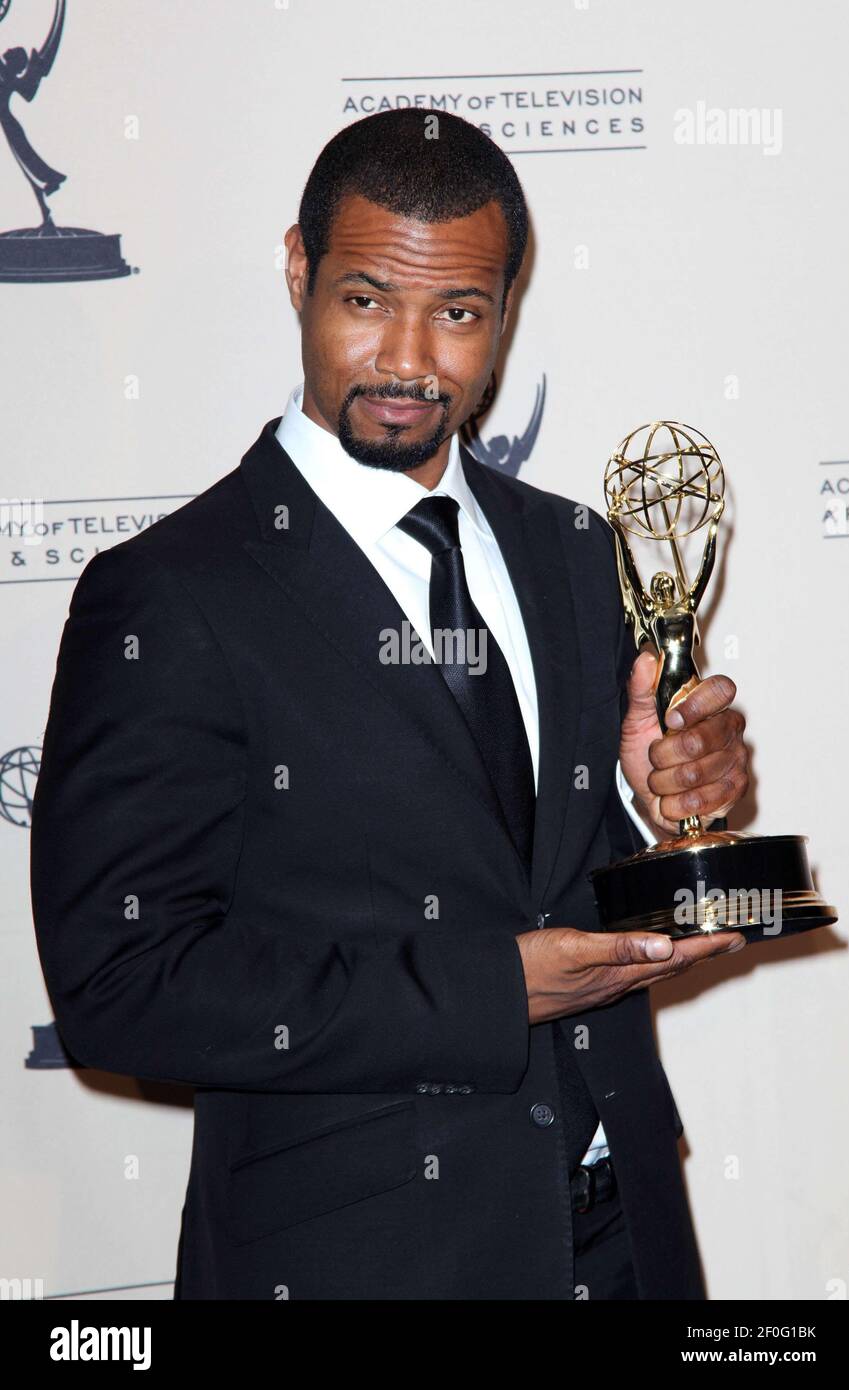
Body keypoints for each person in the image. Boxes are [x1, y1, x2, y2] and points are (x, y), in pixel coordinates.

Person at [30, 107, 750, 1301]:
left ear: (505, 310)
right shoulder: (171, 590)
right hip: (356, 1261)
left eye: (458, 313)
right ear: (297, 270)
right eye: (366, 299)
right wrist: (492, 989)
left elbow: (543, 874)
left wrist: (662, 808)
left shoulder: (575, 550)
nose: (410, 360)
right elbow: (120, 987)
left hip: (622, 1240)